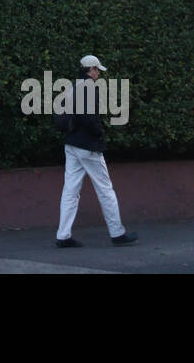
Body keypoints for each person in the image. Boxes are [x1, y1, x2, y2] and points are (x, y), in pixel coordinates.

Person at [55, 54, 138, 248]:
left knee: (70, 190)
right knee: (105, 189)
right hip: (88, 146)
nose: (99, 73)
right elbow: (89, 117)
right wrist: (100, 134)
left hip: (71, 144)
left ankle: (63, 235)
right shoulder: (89, 88)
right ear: (90, 70)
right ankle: (117, 232)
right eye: (97, 69)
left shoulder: (72, 87)